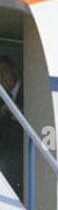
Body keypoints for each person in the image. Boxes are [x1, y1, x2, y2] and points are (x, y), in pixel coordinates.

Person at [0, 55, 24, 199]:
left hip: (20, 156)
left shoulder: (28, 91)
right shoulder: (5, 98)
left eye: (4, 71)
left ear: (14, 71)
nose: (2, 77)